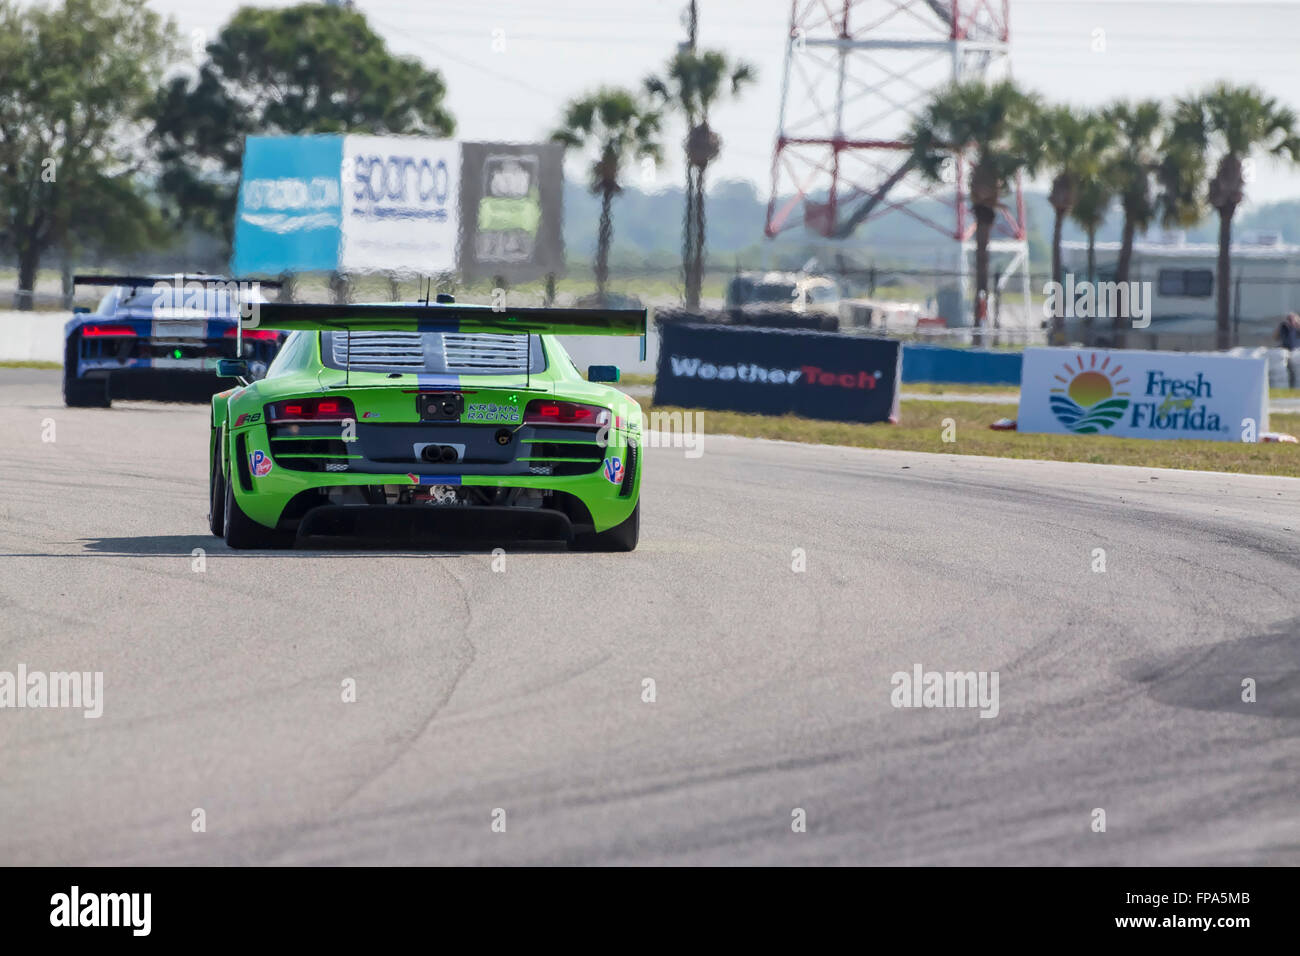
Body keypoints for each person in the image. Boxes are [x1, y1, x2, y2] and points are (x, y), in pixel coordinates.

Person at [1276, 312, 1300, 387]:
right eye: (1289, 319)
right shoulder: (1284, 328)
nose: (1291, 322)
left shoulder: (1297, 329)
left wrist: (1297, 325)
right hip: (1285, 351)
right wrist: (1280, 327)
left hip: (1296, 352)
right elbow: (1275, 337)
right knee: (1284, 371)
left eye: (1292, 319)